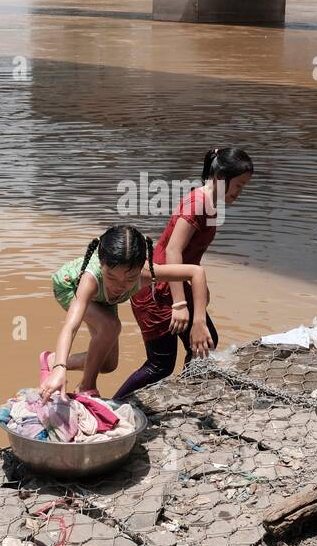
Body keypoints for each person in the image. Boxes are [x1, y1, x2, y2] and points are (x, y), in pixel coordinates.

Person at [115, 148, 255, 399]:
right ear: (220, 177)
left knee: (204, 341)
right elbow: (173, 250)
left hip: (177, 281)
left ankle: (187, 393)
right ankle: (114, 403)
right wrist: (181, 304)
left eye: (243, 187)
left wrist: (198, 290)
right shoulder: (196, 205)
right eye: (238, 186)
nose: (239, 193)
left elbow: (192, 252)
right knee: (160, 365)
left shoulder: (213, 205)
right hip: (158, 288)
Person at [40, 224, 212, 399]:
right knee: (111, 326)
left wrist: (199, 322)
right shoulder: (90, 279)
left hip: (104, 299)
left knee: (108, 364)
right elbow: (71, 325)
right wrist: (59, 370)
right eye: (112, 277)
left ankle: (51, 360)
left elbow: (196, 273)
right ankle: (86, 387)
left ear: (140, 268)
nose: (120, 286)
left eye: (130, 279)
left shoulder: (147, 274)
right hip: (69, 287)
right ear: (101, 263)